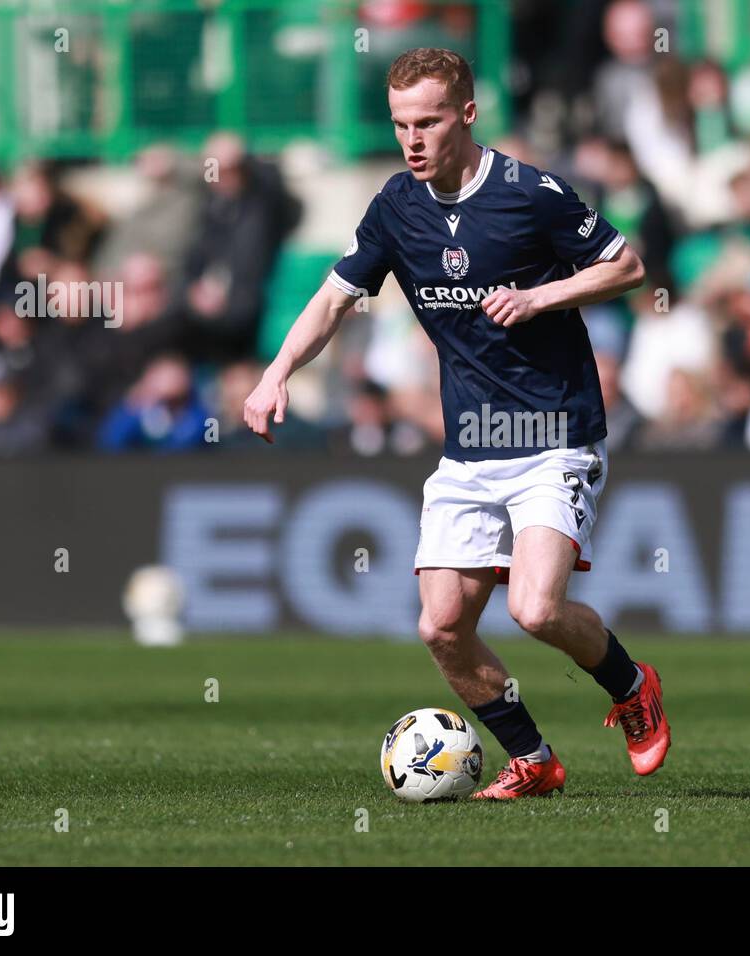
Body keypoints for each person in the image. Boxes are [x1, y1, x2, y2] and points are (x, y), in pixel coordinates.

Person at [243, 47, 668, 799]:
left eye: (429, 121)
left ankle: (631, 684)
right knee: (440, 628)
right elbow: (336, 299)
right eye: (402, 123)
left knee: (533, 608)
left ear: (467, 115)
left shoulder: (530, 193)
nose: (413, 139)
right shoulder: (395, 208)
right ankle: (533, 760)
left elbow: (628, 267)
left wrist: (543, 297)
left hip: (554, 434)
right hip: (471, 448)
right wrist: (277, 373)